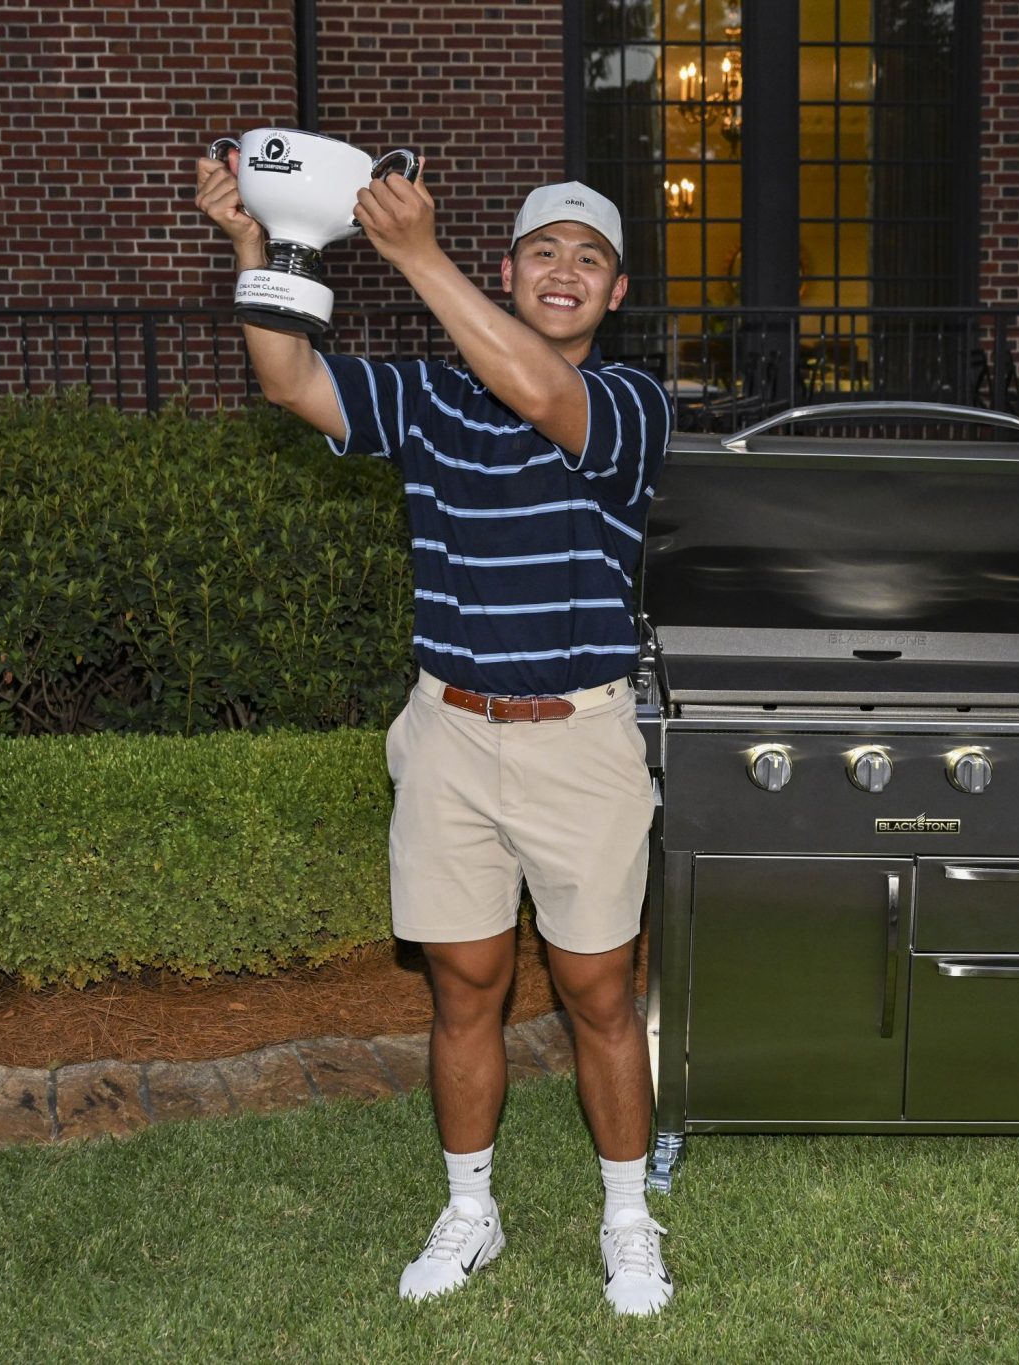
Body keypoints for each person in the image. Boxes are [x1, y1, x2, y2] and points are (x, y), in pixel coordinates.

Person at [193, 150, 673, 1316]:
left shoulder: (630, 405)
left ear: (614, 297)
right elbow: (289, 383)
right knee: (464, 987)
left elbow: (544, 395)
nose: (564, 271)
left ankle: (627, 1219)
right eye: (544, 251)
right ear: (510, 271)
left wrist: (414, 255)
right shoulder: (431, 393)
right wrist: (262, 249)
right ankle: (472, 1208)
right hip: (448, 732)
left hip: (580, 736)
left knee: (599, 993)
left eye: (590, 260)